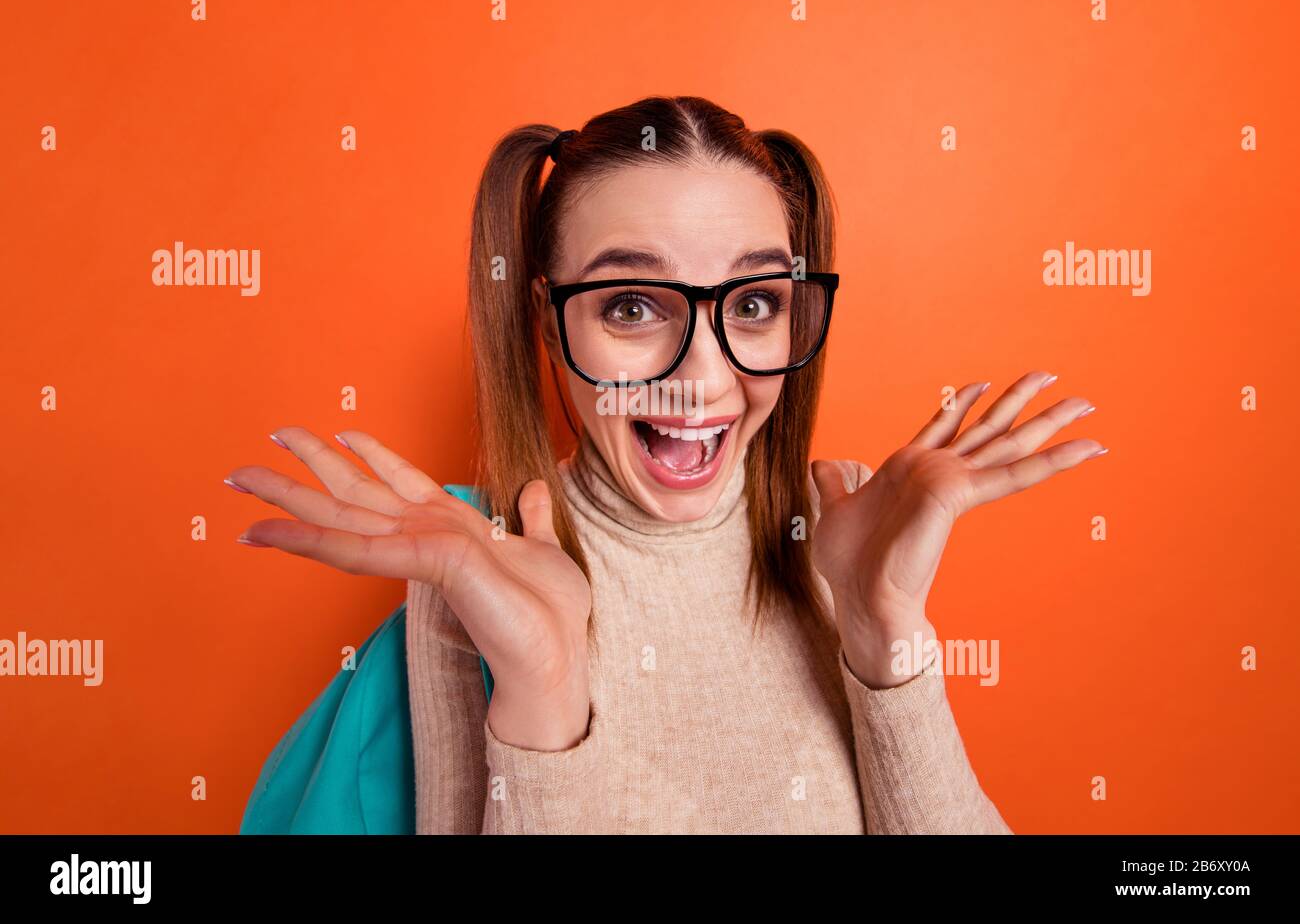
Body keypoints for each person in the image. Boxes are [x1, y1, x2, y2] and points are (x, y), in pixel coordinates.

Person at [230, 95, 1104, 834]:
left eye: (755, 302)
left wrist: (886, 632)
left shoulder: (846, 534)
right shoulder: (476, 584)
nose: (706, 376)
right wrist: (543, 694)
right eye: (634, 305)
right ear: (547, 318)